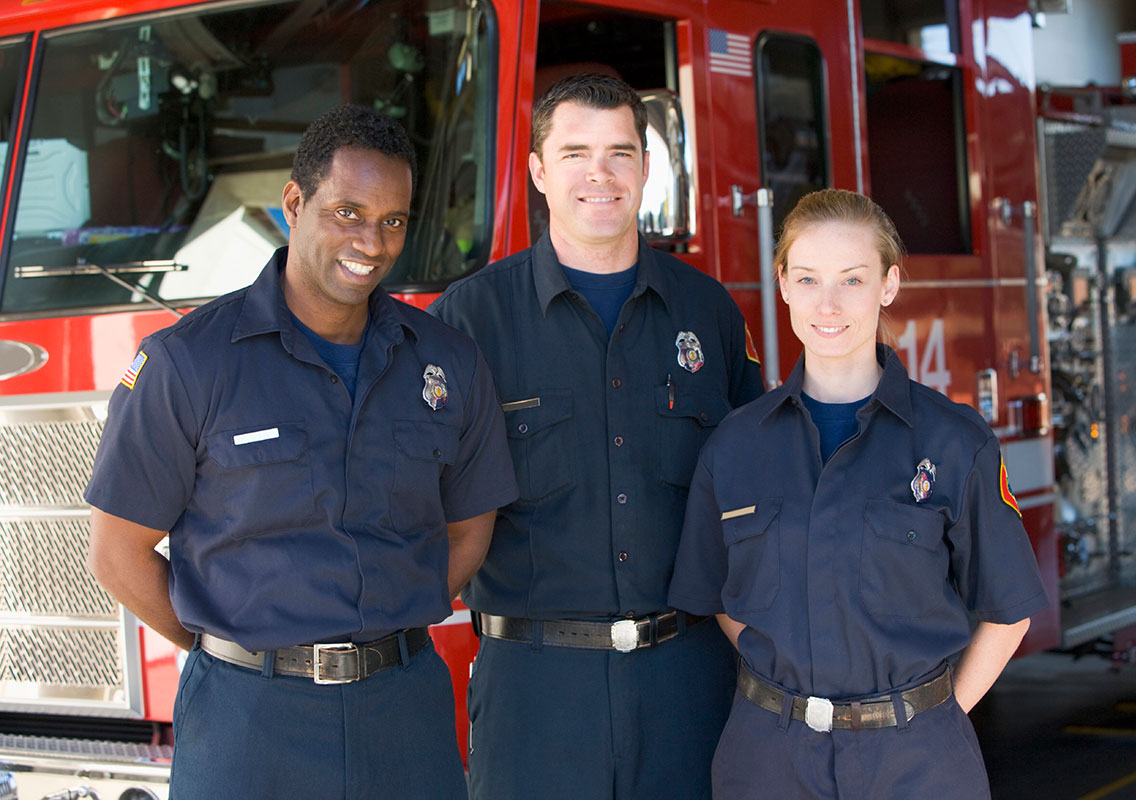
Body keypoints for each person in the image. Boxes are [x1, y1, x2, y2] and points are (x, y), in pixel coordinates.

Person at [85, 104, 517, 799]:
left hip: (404, 714)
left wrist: (388, 623)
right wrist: (228, 649)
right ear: (294, 202)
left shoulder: (447, 361)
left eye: (394, 220)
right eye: (348, 212)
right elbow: (116, 553)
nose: (371, 242)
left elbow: (470, 528)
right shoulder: (188, 363)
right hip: (248, 724)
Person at [428, 73, 764, 799]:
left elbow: (761, 500)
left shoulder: (708, 312)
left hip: (689, 681)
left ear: (646, 168)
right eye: (575, 152)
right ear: (540, 171)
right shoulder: (469, 320)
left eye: (620, 152)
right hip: (534, 690)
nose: (600, 174)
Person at [668, 188, 1048, 799]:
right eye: (809, 277)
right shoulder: (734, 447)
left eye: (852, 279)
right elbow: (723, 599)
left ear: (889, 285)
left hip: (917, 764)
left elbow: (1009, 611)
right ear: (783, 284)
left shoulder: (954, 442)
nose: (829, 303)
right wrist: (792, 683)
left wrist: (932, 718)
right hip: (769, 762)